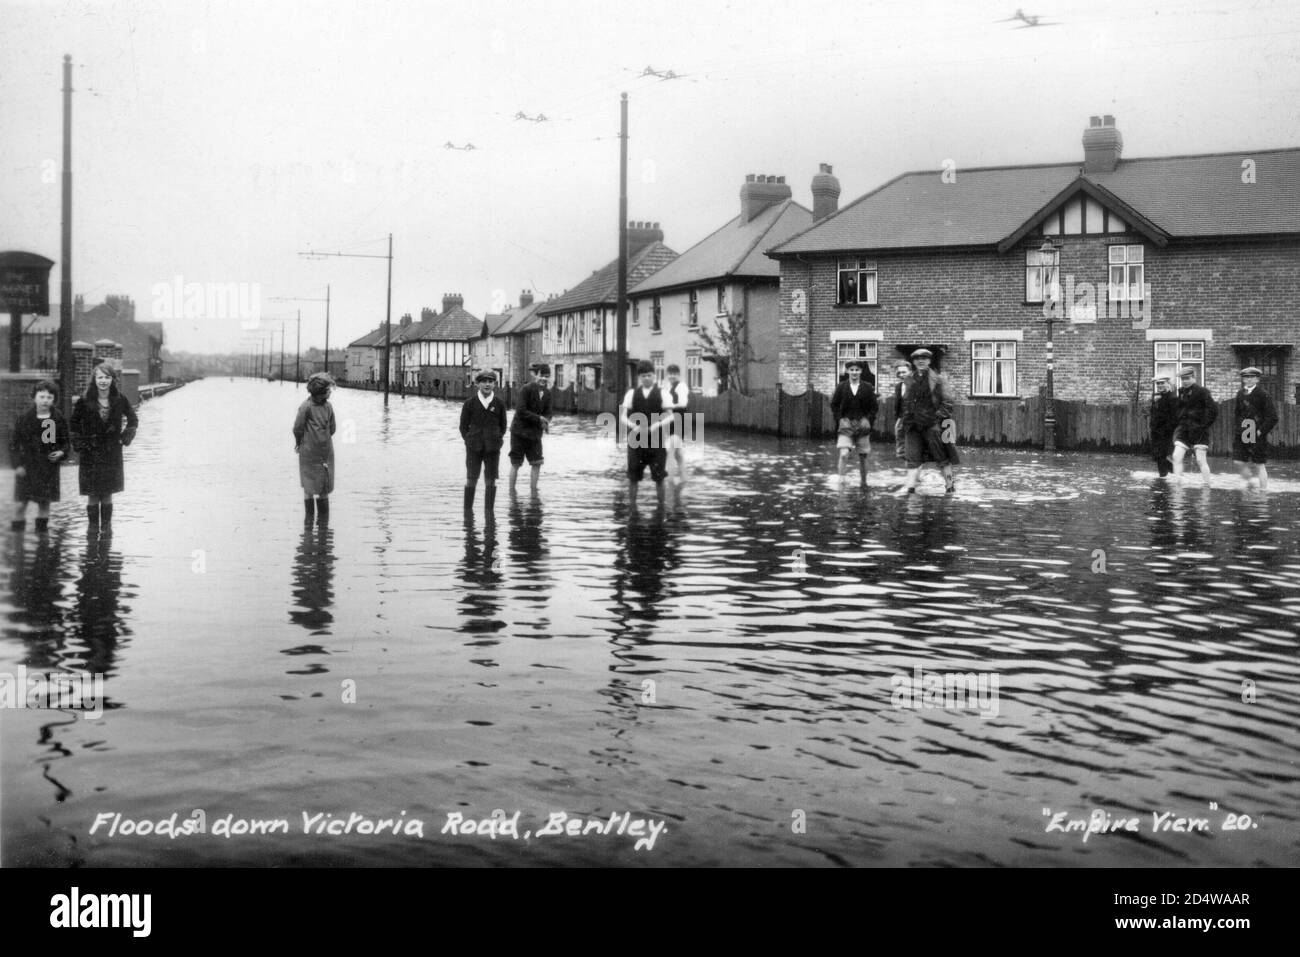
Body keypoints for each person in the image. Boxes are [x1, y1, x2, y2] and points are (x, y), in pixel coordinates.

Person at [70, 362, 138, 536]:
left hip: (111, 453)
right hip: (90, 453)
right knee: (93, 493)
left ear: (112, 380)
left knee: (107, 492)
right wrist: (81, 444)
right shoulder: (84, 401)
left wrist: (124, 438)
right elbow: (74, 425)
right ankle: (93, 527)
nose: (103, 381)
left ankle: (106, 527)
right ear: (94, 379)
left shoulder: (120, 399)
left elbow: (133, 420)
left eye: (107, 377)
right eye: (100, 377)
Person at [10, 379, 70, 532]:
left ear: (54, 399)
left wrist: (62, 452)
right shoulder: (24, 419)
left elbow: (66, 443)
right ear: (34, 397)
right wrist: (17, 465)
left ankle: (41, 543)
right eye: (42, 396)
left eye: (49, 397)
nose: (45, 401)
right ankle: (18, 544)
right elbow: (13, 445)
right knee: (20, 505)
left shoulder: (58, 419)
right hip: (26, 468)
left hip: (48, 469)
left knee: (44, 504)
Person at [894, 348, 956, 495]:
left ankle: (950, 486)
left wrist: (937, 418)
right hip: (913, 426)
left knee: (942, 457)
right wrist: (906, 421)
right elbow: (906, 401)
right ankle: (910, 489)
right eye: (917, 359)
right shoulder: (908, 379)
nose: (920, 361)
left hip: (932, 425)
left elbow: (948, 402)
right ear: (913, 362)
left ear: (929, 361)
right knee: (912, 459)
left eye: (924, 358)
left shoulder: (938, 380)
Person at [460, 370, 508, 518]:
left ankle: (489, 515)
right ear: (477, 384)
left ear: (495, 384)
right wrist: (470, 441)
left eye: (491, 381)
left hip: (492, 448)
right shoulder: (470, 403)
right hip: (473, 448)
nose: (487, 384)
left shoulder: (499, 404)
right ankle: (467, 514)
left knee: (491, 480)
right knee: (471, 478)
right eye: (484, 381)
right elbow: (463, 427)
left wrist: (496, 439)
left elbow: (503, 426)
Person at [621, 359, 668, 508]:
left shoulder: (663, 393)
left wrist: (657, 425)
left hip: (657, 441)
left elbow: (671, 415)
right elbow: (622, 416)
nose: (646, 378)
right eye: (643, 376)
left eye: (649, 375)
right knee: (633, 477)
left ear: (654, 375)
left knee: (659, 477)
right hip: (636, 441)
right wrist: (632, 426)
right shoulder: (631, 393)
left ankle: (661, 509)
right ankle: (632, 510)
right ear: (639, 378)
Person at [293, 372, 336, 524]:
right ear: (320, 393)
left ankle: (309, 522)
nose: (330, 392)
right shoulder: (328, 407)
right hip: (325, 452)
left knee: (309, 487)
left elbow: (297, 428)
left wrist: (299, 442)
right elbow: (332, 428)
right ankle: (323, 525)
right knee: (324, 486)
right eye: (328, 389)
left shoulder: (305, 406)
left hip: (309, 451)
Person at [830, 358, 878, 488]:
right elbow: (834, 405)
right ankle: (841, 481)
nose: (854, 372)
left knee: (863, 456)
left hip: (863, 426)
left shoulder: (867, 387)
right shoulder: (841, 387)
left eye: (857, 370)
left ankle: (863, 482)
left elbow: (874, 408)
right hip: (846, 426)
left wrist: (867, 419)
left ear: (861, 371)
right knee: (844, 453)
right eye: (852, 370)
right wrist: (840, 419)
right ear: (847, 371)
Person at [1231, 366, 1278, 491]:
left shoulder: (1263, 394)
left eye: (1252, 377)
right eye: (1246, 377)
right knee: (1238, 461)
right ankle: (1249, 482)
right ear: (1243, 379)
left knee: (1259, 464)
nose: (1249, 380)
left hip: (1257, 434)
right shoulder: (1240, 394)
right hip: (1242, 433)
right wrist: (1238, 428)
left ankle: (1263, 491)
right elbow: (1237, 413)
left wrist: (1260, 431)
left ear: (1257, 379)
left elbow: (1273, 417)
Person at [508, 363, 552, 494]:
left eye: (547, 376)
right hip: (519, 432)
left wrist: (547, 421)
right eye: (541, 376)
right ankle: (512, 493)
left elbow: (549, 412)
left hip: (535, 434)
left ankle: (534, 493)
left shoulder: (548, 393)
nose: (544, 379)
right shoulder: (525, 389)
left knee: (537, 463)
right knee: (516, 463)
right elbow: (521, 411)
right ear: (535, 375)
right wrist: (539, 418)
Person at [1171, 366, 1216, 487]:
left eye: (1187, 378)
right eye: (1183, 379)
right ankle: (1178, 483)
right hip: (1184, 429)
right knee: (1176, 456)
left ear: (1193, 377)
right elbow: (1179, 410)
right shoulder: (1181, 392)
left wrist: (1203, 425)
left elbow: (1213, 410)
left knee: (1201, 460)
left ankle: (1207, 485)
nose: (1185, 381)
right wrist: (1180, 421)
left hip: (1199, 430)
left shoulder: (1202, 392)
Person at [663, 363, 690, 485]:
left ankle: (669, 481)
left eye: (674, 374)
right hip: (671, 420)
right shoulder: (669, 387)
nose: (672, 376)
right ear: (667, 375)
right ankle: (684, 479)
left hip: (679, 419)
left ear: (679, 375)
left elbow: (683, 403)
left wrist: (669, 406)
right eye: (670, 374)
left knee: (670, 451)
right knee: (678, 453)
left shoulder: (681, 386)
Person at [1148, 374, 1178, 478]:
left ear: (1168, 384)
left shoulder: (1172, 398)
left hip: (1166, 434)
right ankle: (1165, 478)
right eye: (1158, 383)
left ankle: (1171, 478)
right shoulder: (1157, 397)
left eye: (1162, 383)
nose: (1160, 385)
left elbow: (1174, 418)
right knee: (1159, 457)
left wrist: (1166, 430)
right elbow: (1154, 414)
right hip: (1156, 433)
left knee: (1164, 457)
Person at [892, 361, 912, 459]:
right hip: (901, 420)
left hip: (913, 421)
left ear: (910, 372)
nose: (901, 375)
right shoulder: (898, 387)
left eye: (904, 372)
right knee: (902, 452)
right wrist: (898, 419)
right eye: (899, 373)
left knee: (913, 450)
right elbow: (898, 405)